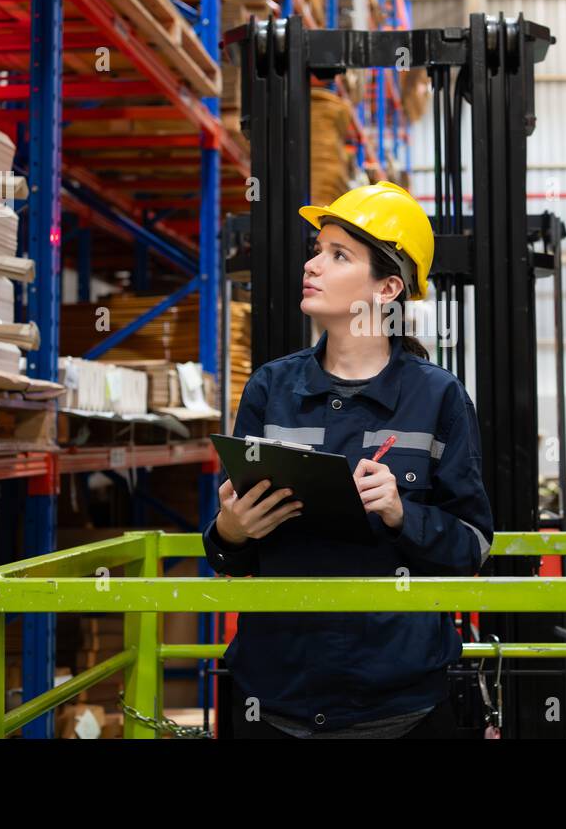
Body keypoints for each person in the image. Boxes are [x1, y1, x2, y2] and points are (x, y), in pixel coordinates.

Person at [203, 180, 494, 739]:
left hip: (399, 705)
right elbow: (230, 557)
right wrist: (230, 531)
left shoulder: (437, 399)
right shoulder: (270, 388)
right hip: (276, 696)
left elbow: (472, 545)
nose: (313, 265)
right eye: (317, 250)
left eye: (338, 255)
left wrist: (403, 514)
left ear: (387, 288)